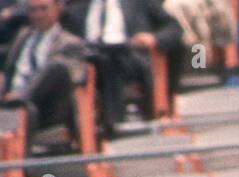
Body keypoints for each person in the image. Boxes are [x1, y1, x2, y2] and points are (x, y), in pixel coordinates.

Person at [65, 0, 181, 133]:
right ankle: (94, 130)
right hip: (90, 61)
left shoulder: (139, 3)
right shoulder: (76, 9)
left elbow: (174, 28)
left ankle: (114, 123)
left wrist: (154, 38)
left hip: (128, 56)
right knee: (97, 60)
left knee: (109, 58)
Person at [1, 0, 87, 151]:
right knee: (25, 111)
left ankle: (18, 101)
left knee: (57, 66)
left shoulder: (71, 43)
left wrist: (21, 95)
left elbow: (75, 79)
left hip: (47, 111)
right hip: (12, 108)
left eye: (43, 9)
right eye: (33, 10)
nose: (38, 15)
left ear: (57, 10)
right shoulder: (22, 37)